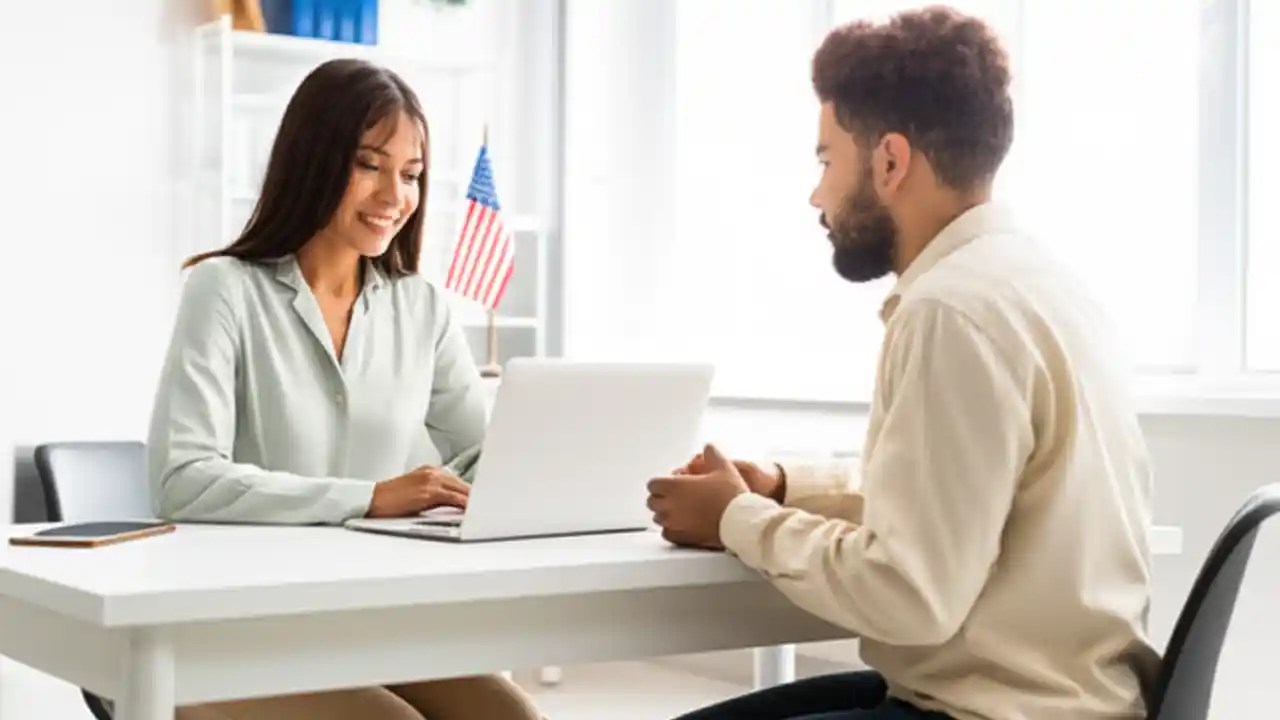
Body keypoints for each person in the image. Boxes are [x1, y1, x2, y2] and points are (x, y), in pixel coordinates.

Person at [647, 7, 1158, 720]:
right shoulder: (1041, 284)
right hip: (1061, 696)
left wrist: (736, 518)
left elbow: (910, 595)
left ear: (889, 161)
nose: (816, 193)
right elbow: (957, 497)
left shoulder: (951, 312)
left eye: (826, 160)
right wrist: (784, 487)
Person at [147, 58, 543, 720]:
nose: (395, 194)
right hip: (231, 625)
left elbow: (480, 457)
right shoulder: (224, 289)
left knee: (515, 718)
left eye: (411, 174)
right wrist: (371, 497)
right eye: (369, 164)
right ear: (314, 160)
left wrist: (560, 471)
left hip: (366, 617)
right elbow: (182, 479)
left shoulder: (422, 308)